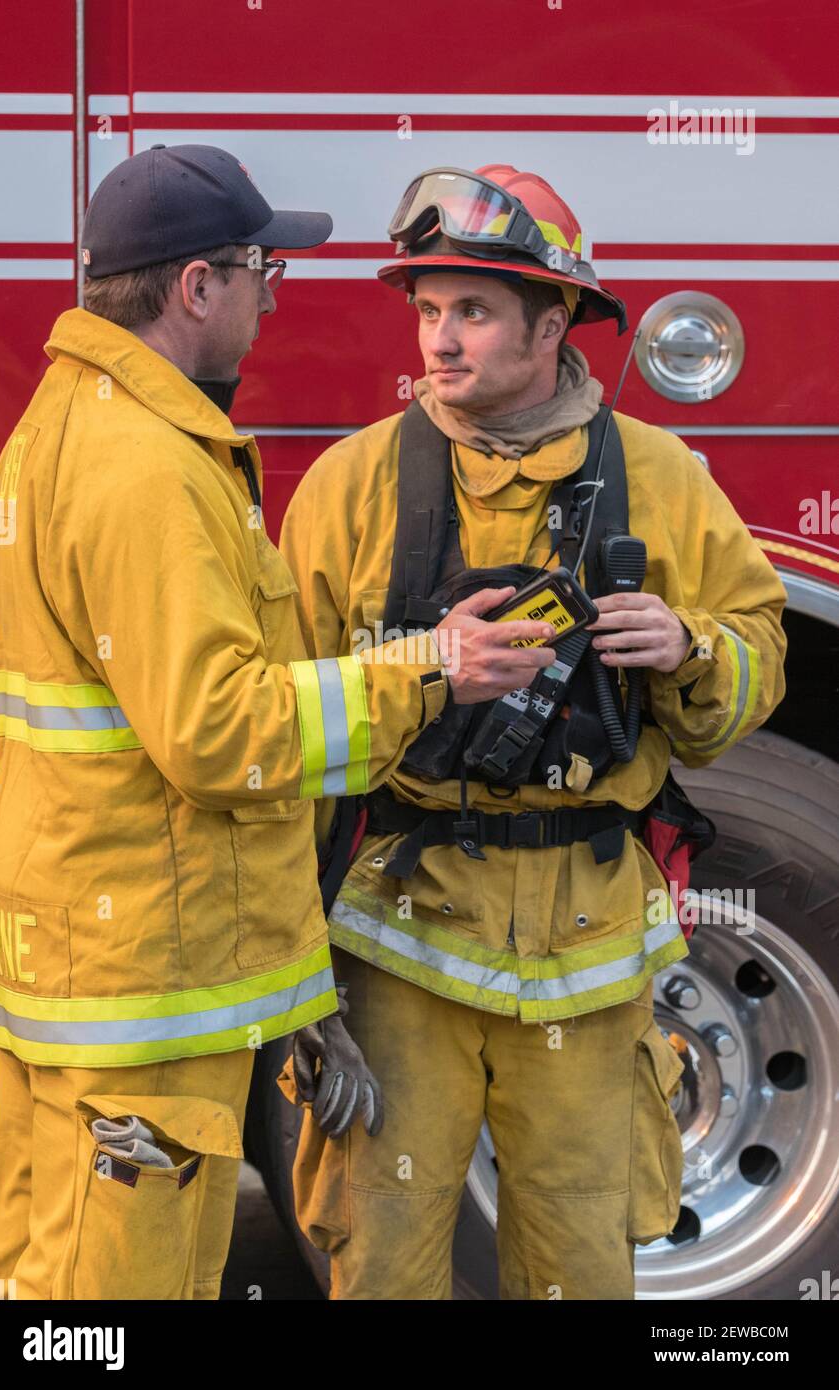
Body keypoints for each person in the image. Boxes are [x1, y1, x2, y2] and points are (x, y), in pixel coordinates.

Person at [0, 146, 557, 1301]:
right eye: (262, 270)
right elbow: (223, 734)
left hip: (90, 972)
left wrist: (295, 998)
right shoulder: (146, 465)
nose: (271, 295)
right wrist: (429, 670)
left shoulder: (70, 424)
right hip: (142, 996)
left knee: (41, 1288)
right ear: (197, 287)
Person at [278, 163, 788, 1299]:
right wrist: (291, 976)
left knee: (578, 1265)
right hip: (400, 943)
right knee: (386, 1259)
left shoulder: (659, 478)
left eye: (471, 310)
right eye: (425, 310)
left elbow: (754, 660)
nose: (439, 339)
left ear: (550, 325)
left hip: (590, 947)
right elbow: (280, 721)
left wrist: (693, 647)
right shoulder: (349, 486)